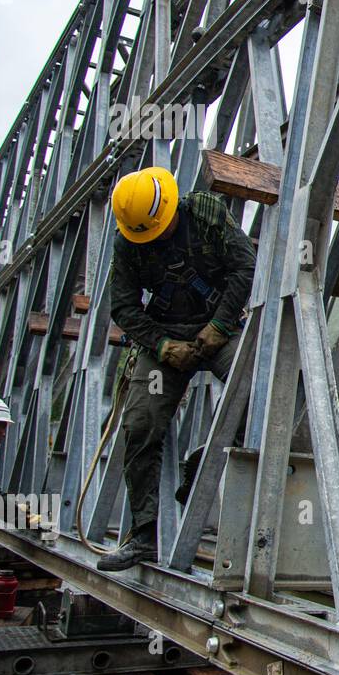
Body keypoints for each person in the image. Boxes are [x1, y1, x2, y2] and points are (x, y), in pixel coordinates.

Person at [98, 167, 255, 571]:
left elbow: (245, 268)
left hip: (219, 326)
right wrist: (162, 346)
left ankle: (206, 459)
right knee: (140, 423)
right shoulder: (128, 241)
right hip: (167, 338)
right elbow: (124, 306)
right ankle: (145, 536)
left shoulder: (206, 214)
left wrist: (218, 327)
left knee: (262, 394)